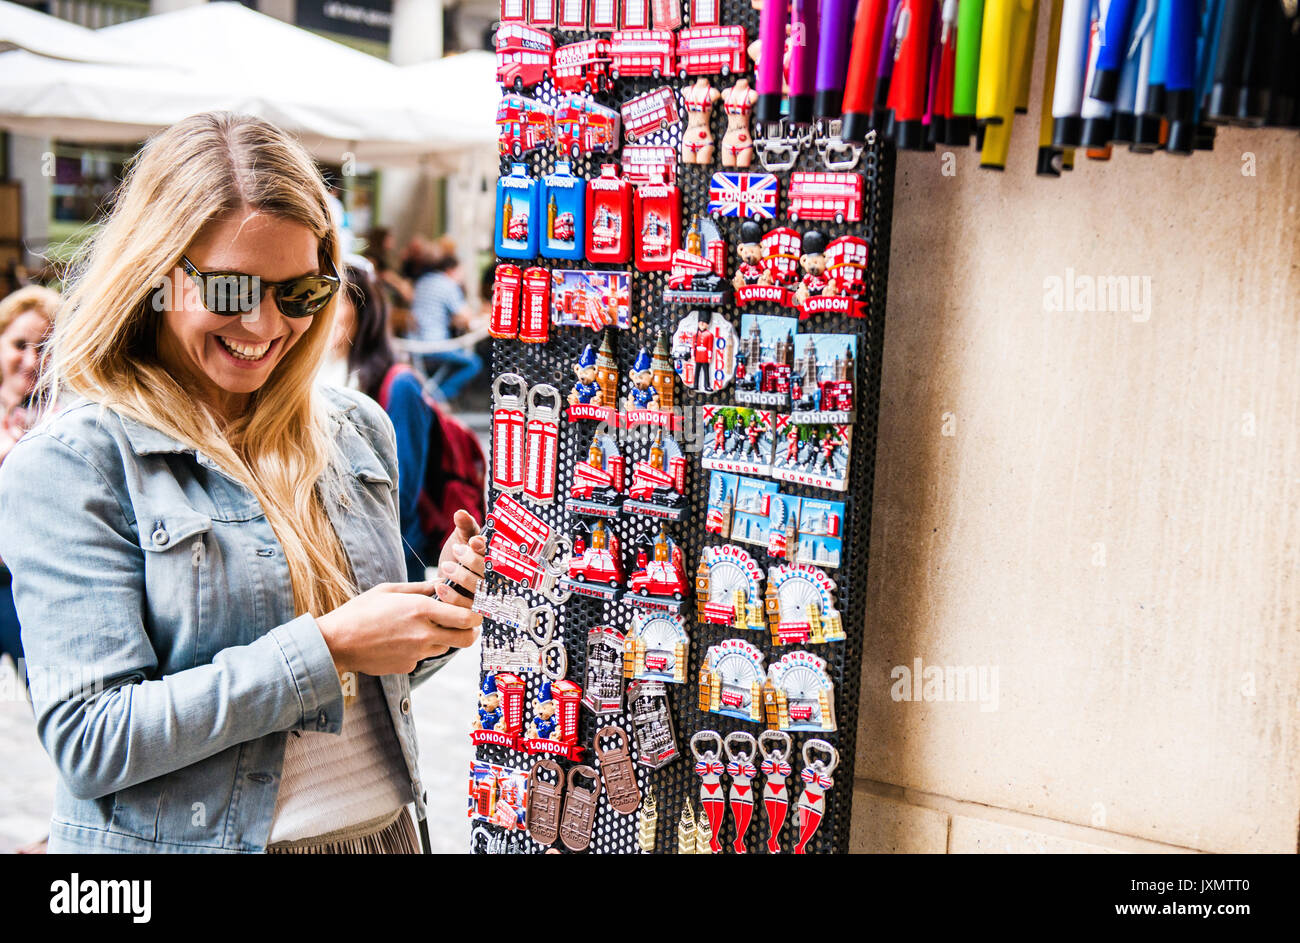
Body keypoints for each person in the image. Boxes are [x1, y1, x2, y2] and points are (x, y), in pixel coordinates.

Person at [0, 112, 486, 854]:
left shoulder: (354, 428)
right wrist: (329, 645)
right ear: (155, 276)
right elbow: (90, 739)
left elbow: (364, 690)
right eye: (230, 290)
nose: (263, 325)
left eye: (299, 294)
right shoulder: (75, 461)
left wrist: (439, 612)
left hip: (386, 836)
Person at [324, 258, 484, 582]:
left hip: (384, 565)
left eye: (334, 300)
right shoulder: (313, 377)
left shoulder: (399, 385)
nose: (320, 314)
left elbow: (400, 497)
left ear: (363, 311)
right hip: (328, 559)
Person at [0, 284, 59, 689]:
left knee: (50, 699)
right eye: (19, 344)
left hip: (29, 592)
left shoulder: (67, 422)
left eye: (45, 346)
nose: (31, 360)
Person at [408, 254, 483, 402]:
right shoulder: (448, 284)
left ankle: (433, 393)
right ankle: (439, 397)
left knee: (455, 362)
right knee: (474, 363)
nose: (461, 277)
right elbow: (466, 316)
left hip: (415, 344)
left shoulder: (423, 281)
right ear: (451, 270)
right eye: (460, 272)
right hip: (436, 345)